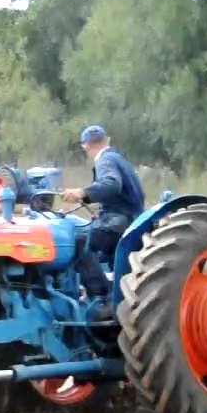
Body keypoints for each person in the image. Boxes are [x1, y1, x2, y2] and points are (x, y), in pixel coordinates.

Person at [60, 125, 145, 315]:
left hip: (120, 222)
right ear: (107, 140)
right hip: (129, 219)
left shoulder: (105, 160)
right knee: (92, 247)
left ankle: (101, 299)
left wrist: (82, 192)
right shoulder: (118, 159)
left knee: (79, 242)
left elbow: (112, 184)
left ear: (84, 146)